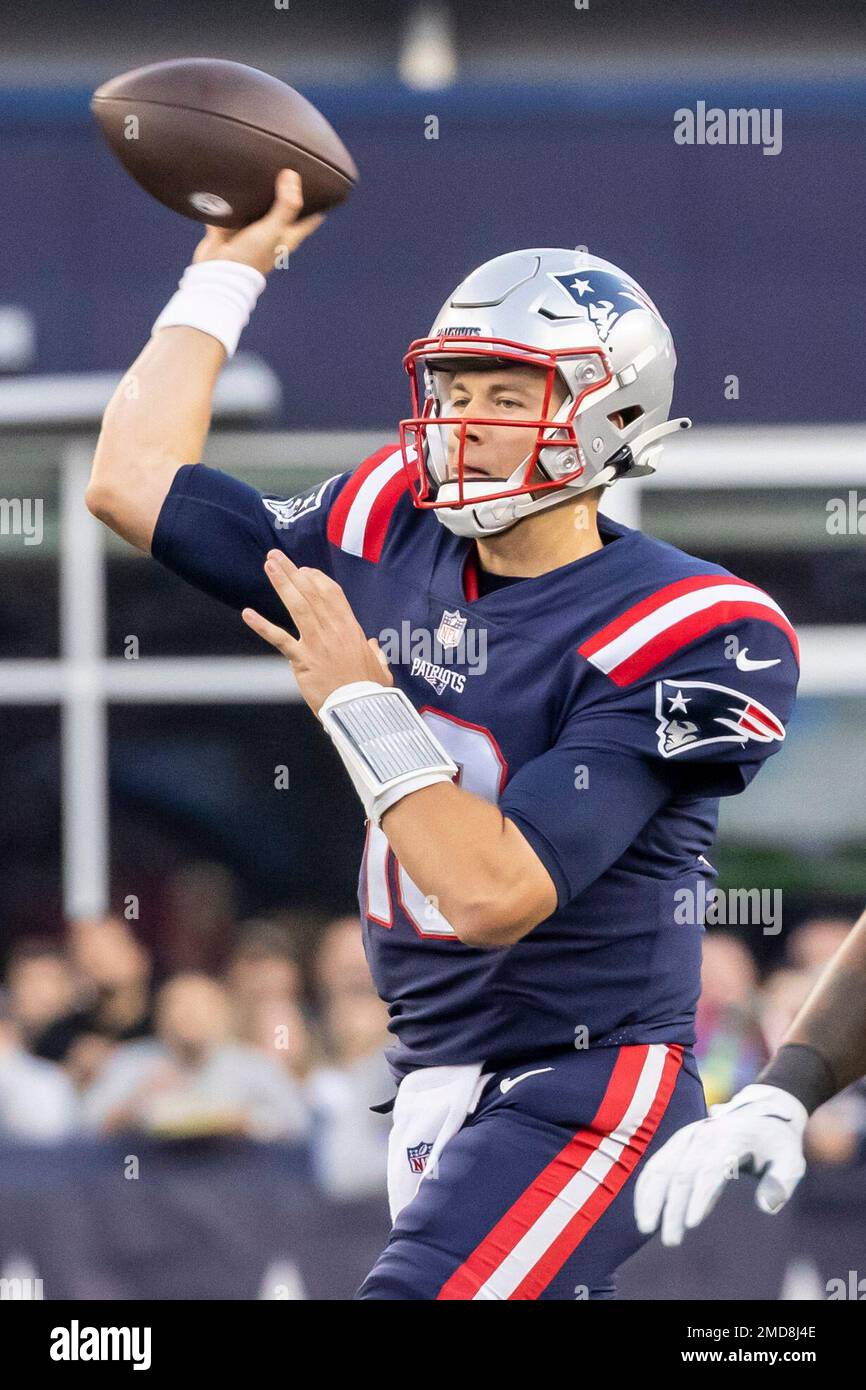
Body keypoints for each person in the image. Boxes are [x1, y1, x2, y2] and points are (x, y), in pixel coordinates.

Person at [86, 171, 799, 1299]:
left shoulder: (692, 628)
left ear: (608, 417)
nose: (462, 418)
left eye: (506, 393)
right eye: (452, 381)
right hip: (429, 1072)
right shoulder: (386, 517)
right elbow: (131, 482)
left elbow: (493, 892)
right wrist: (225, 265)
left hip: (587, 1087)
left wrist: (359, 702)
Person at [636, 905, 866, 1246]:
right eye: (815, 969)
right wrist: (783, 1095)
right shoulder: (729, 1026)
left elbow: (836, 1142)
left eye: (829, 969)